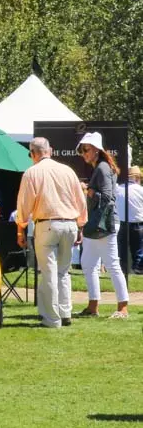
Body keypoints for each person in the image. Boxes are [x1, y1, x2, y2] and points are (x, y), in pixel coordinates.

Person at [15, 137, 87, 328]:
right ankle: (65, 312)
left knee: (49, 272)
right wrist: (80, 225)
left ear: (33, 153)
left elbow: (24, 205)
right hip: (69, 223)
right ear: (51, 150)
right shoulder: (68, 171)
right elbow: (81, 200)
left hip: (47, 224)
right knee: (64, 272)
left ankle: (52, 318)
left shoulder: (32, 173)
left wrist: (20, 228)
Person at [76, 132, 129, 319]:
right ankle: (93, 306)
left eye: (86, 149)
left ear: (96, 150)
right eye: (82, 150)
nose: (83, 153)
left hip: (104, 222)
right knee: (88, 264)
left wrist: (88, 191)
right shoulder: (103, 167)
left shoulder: (102, 168)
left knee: (111, 264)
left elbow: (107, 197)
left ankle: (123, 307)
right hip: (98, 223)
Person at [116, 165, 143, 274]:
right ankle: (138, 270)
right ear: (137, 178)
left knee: (122, 250)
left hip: (122, 223)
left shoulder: (118, 189)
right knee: (138, 250)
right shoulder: (141, 190)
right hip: (138, 223)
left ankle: (123, 270)